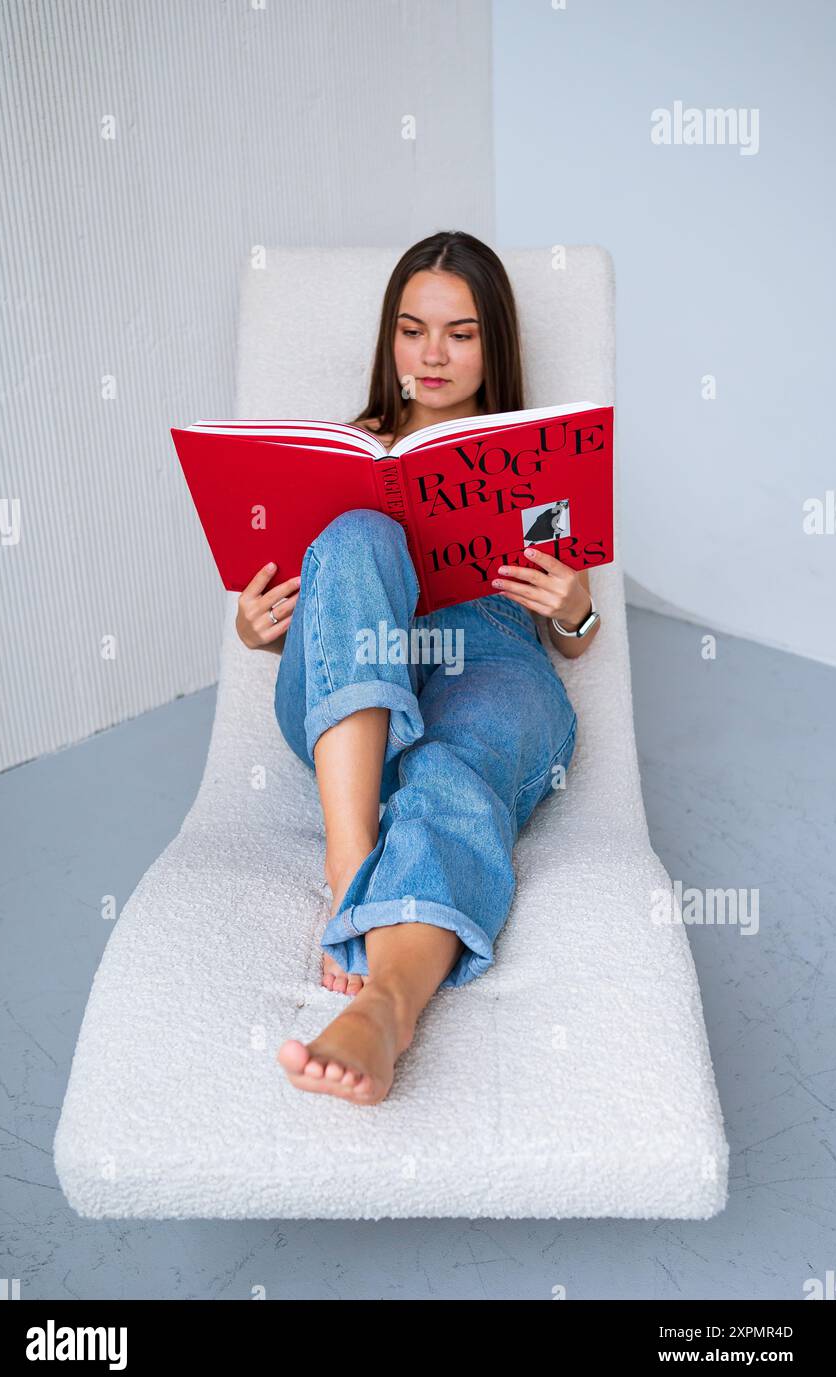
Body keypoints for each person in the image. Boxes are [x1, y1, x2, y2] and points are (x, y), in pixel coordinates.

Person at [234, 230, 601, 1105]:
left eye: (460, 333)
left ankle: (386, 1011)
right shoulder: (339, 451)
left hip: (489, 661)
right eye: (411, 328)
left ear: (495, 343)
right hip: (356, 693)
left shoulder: (532, 460)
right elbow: (304, 620)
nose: (431, 354)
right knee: (359, 534)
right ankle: (350, 859)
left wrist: (573, 608)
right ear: (388, 339)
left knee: (456, 759)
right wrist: (257, 631)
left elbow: (577, 638)